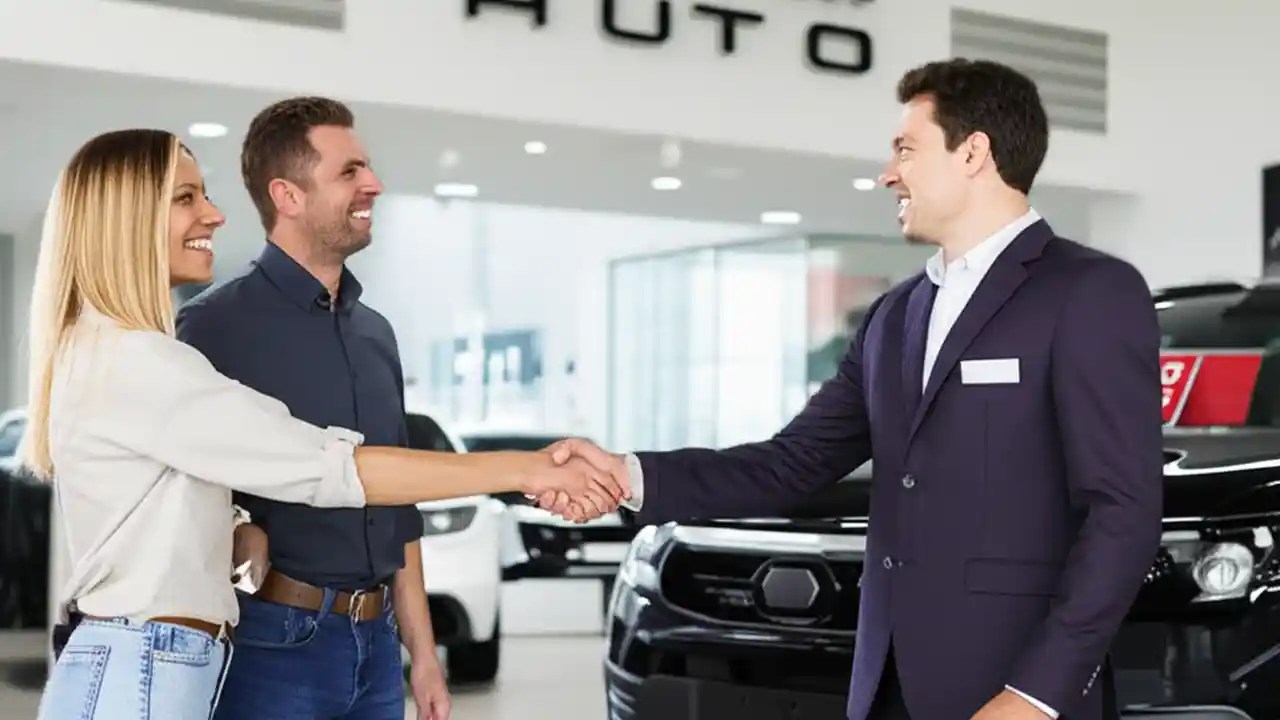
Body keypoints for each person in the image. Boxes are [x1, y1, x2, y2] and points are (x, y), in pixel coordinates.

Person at [544, 58, 1163, 720]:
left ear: (974, 153)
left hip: (1016, 688)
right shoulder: (893, 315)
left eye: (906, 149)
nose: (888, 173)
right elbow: (792, 463)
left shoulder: (1089, 291)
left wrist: (1039, 694)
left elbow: (1122, 513)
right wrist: (627, 474)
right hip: (887, 681)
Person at [23, 128, 627, 720]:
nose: (214, 215)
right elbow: (327, 467)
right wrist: (528, 467)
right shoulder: (144, 360)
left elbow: (161, 490)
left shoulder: (113, 352)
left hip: (152, 660)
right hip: (150, 664)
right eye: (185, 198)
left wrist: (236, 524)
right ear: (124, 218)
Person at [174, 96, 438, 719]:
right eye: (349, 171)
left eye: (366, 167)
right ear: (287, 196)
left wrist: (422, 654)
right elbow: (181, 495)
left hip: (377, 649)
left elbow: (399, 511)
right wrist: (239, 528)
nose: (373, 184)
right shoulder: (213, 327)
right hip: (270, 647)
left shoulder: (377, 334)